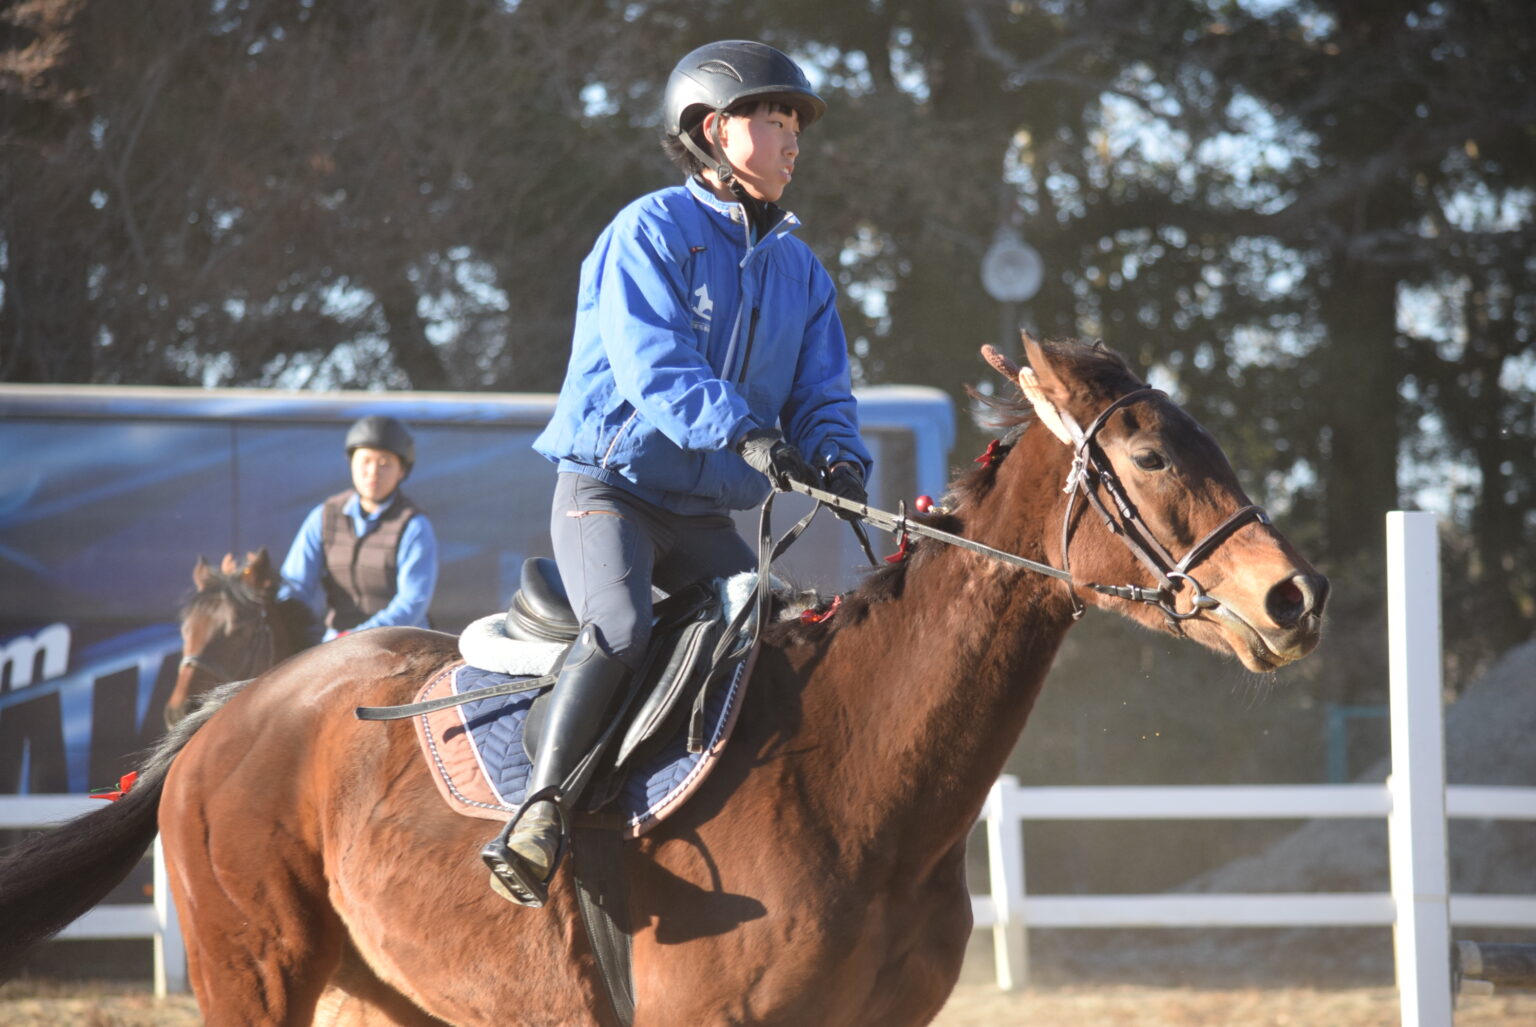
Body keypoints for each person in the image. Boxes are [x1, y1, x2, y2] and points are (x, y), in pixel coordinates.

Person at [481, 39, 873, 906]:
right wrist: (747, 434)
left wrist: (840, 455)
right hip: (609, 492)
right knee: (620, 627)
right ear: (710, 129)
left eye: (795, 125)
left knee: (768, 646)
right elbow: (653, 365)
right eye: (773, 121)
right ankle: (538, 816)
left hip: (702, 515)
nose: (792, 141)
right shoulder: (648, 231)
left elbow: (822, 391)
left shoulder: (802, 271)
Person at [277, 415, 439, 641]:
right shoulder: (324, 517)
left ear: (402, 471)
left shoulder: (414, 525)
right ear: (351, 462)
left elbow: (412, 603)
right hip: (336, 645)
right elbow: (294, 585)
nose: (373, 472)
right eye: (365, 461)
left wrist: (356, 638)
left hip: (401, 646)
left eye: (385, 464)